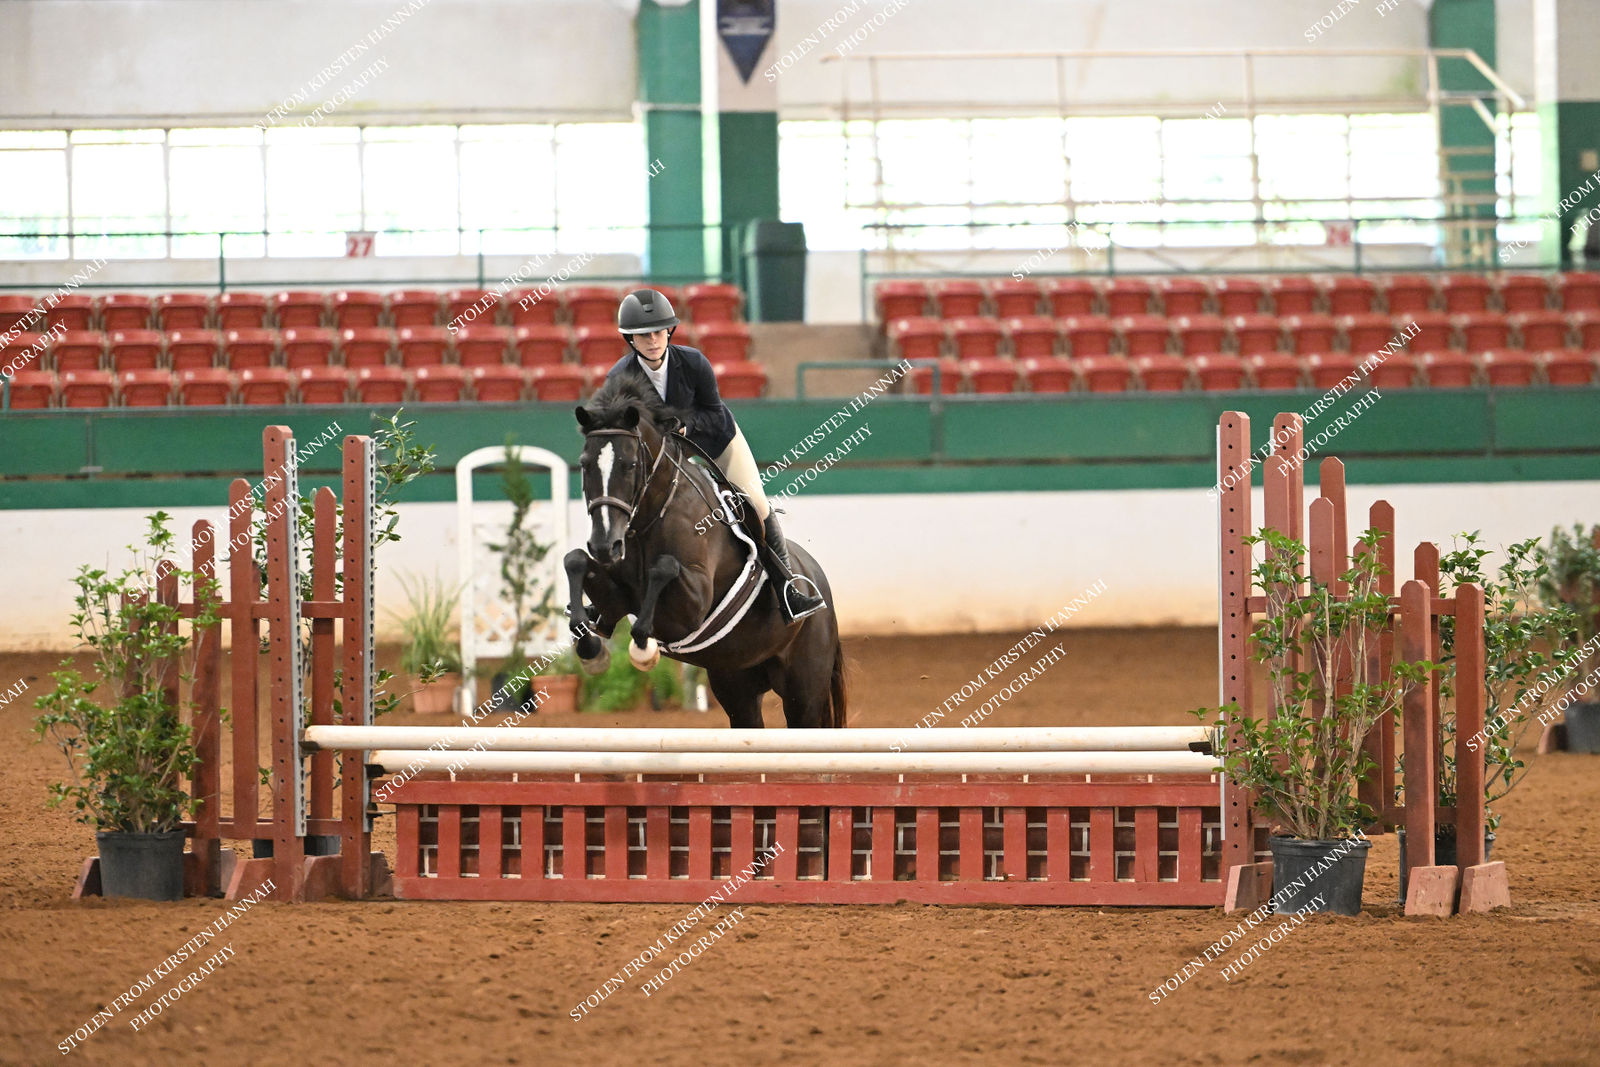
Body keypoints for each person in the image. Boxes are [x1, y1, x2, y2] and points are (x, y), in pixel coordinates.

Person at [604, 287, 825, 622]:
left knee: (757, 502)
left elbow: (715, 414)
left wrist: (684, 428)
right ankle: (608, 598)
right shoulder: (619, 379)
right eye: (643, 334)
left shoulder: (693, 363)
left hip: (715, 442)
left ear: (669, 331)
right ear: (630, 339)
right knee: (618, 507)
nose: (652, 340)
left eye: (657, 331)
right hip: (665, 461)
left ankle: (787, 588)